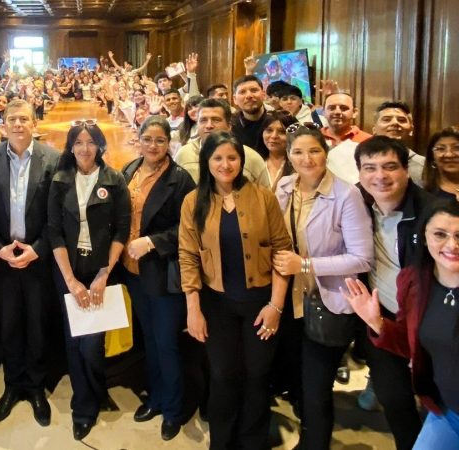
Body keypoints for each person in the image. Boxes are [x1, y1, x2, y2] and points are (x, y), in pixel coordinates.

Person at [178, 130, 290, 449]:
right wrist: (193, 309)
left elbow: (282, 250)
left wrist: (276, 307)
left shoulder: (262, 196)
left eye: (232, 157)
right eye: (217, 158)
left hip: (260, 301)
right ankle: (223, 442)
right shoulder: (193, 201)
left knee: (257, 375)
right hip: (217, 303)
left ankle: (252, 441)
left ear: (242, 160)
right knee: (223, 375)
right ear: (206, 162)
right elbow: (187, 256)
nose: (225, 164)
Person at [274, 125, 373, 450]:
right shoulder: (285, 187)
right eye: (298, 152)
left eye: (314, 150)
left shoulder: (347, 194)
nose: (306, 158)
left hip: (326, 302)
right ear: (289, 155)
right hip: (290, 300)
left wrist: (305, 265)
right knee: (299, 381)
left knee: (316, 389)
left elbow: (362, 258)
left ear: (325, 152)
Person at [342, 199, 459, 449]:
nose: (452, 245)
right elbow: (411, 345)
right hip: (445, 413)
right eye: (440, 234)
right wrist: (378, 323)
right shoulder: (414, 282)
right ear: (424, 236)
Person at [47, 121, 131, 440]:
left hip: (101, 272)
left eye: (91, 142)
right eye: (78, 142)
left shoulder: (114, 179)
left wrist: (103, 273)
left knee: (92, 344)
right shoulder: (60, 180)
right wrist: (70, 280)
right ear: (70, 147)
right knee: (74, 341)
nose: (85, 148)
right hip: (68, 270)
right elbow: (54, 231)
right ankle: (84, 406)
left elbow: (122, 229)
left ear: (100, 146)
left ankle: (95, 391)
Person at [0, 99, 60, 427]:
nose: (17, 124)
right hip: (3, 258)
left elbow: (56, 212)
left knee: (38, 322)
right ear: (3, 124)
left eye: (24, 119)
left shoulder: (52, 157)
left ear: (34, 123)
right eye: (11, 119)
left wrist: (38, 248)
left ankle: (36, 385)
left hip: (37, 257)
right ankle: (13, 384)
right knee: (10, 322)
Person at [119, 116, 196, 440]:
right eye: (147, 139)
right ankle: (157, 397)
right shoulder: (130, 169)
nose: (153, 146)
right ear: (139, 140)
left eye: (160, 140)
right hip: (134, 273)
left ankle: (174, 409)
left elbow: (190, 228)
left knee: (166, 344)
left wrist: (152, 242)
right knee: (148, 340)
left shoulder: (180, 180)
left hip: (163, 274)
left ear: (169, 143)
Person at [355, 135, 430, 449]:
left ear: (406, 171)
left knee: (435, 403)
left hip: (428, 324)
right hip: (380, 319)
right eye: (369, 168)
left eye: (389, 167)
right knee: (394, 399)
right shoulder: (357, 205)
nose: (380, 176)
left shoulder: (434, 214)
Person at [174, 98, 271, 187]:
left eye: (216, 120)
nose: (209, 125)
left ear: (229, 126)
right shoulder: (184, 155)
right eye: (203, 120)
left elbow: (266, 200)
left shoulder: (251, 158)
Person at [327, 101, 425, 185]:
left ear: (411, 129)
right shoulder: (354, 158)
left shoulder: (424, 166)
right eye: (386, 119)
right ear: (374, 129)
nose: (395, 123)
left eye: (401, 120)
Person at [231, 75, 270, 159]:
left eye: (254, 90)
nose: (249, 96)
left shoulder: (280, 120)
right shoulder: (229, 124)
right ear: (235, 99)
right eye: (242, 92)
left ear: (263, 94)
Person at [262, 110, 297, 191]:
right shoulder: (255, 162)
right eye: (269, 130)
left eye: (282, 132)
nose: (274, 136)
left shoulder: (298, 166)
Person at [422, 127, 459, 201]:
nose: (449, 154)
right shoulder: (420, 194)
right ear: (432, 157)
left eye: (457, 148)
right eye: (441, 149)